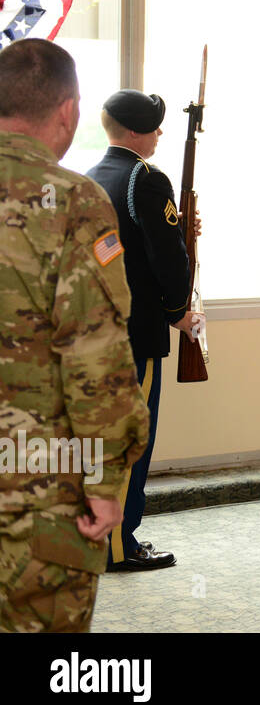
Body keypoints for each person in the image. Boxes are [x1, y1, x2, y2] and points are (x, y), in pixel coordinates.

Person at [0, 38, 150, 630]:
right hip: (39, 486)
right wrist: (107, 481)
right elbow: (93, 357)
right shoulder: (72, 201)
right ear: (68, 112)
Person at [86, 90, 202, 573]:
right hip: (137, 330)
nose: (159, 133)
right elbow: (165, 256)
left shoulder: (91, 178)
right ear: (133, 132)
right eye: (154, 126)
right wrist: (179, 310)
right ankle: (120, 544)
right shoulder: (146, 179)